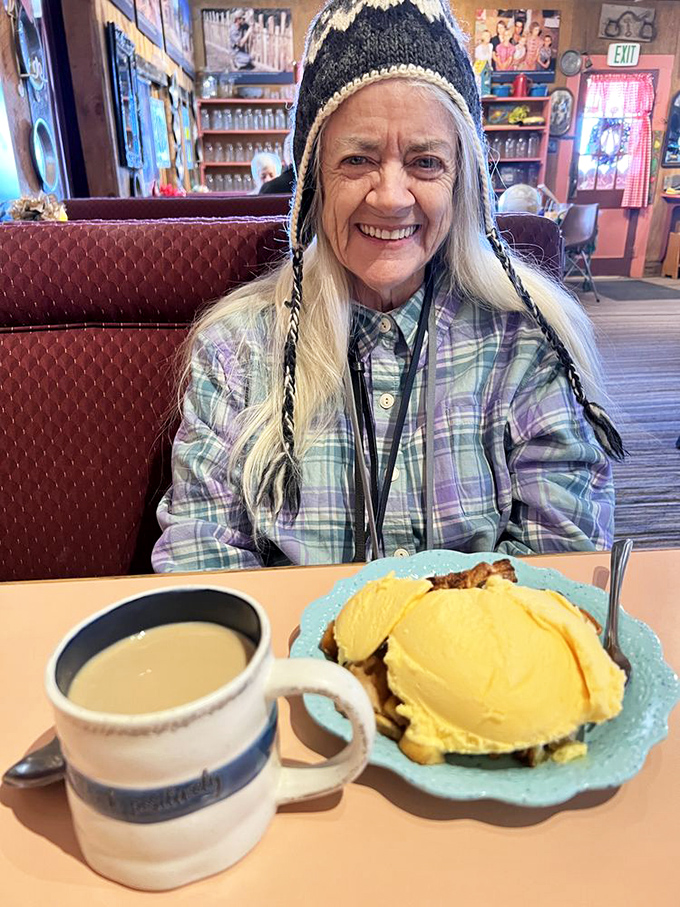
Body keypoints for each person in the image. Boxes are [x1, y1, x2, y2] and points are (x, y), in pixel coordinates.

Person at [152, 0, 622, 573]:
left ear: (462, 182)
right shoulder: (235, 349)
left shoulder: (531, 344)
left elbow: (564, 561)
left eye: (426, 162)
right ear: (313, 178)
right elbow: (199, 557)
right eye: (358, 159)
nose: (392, 197)